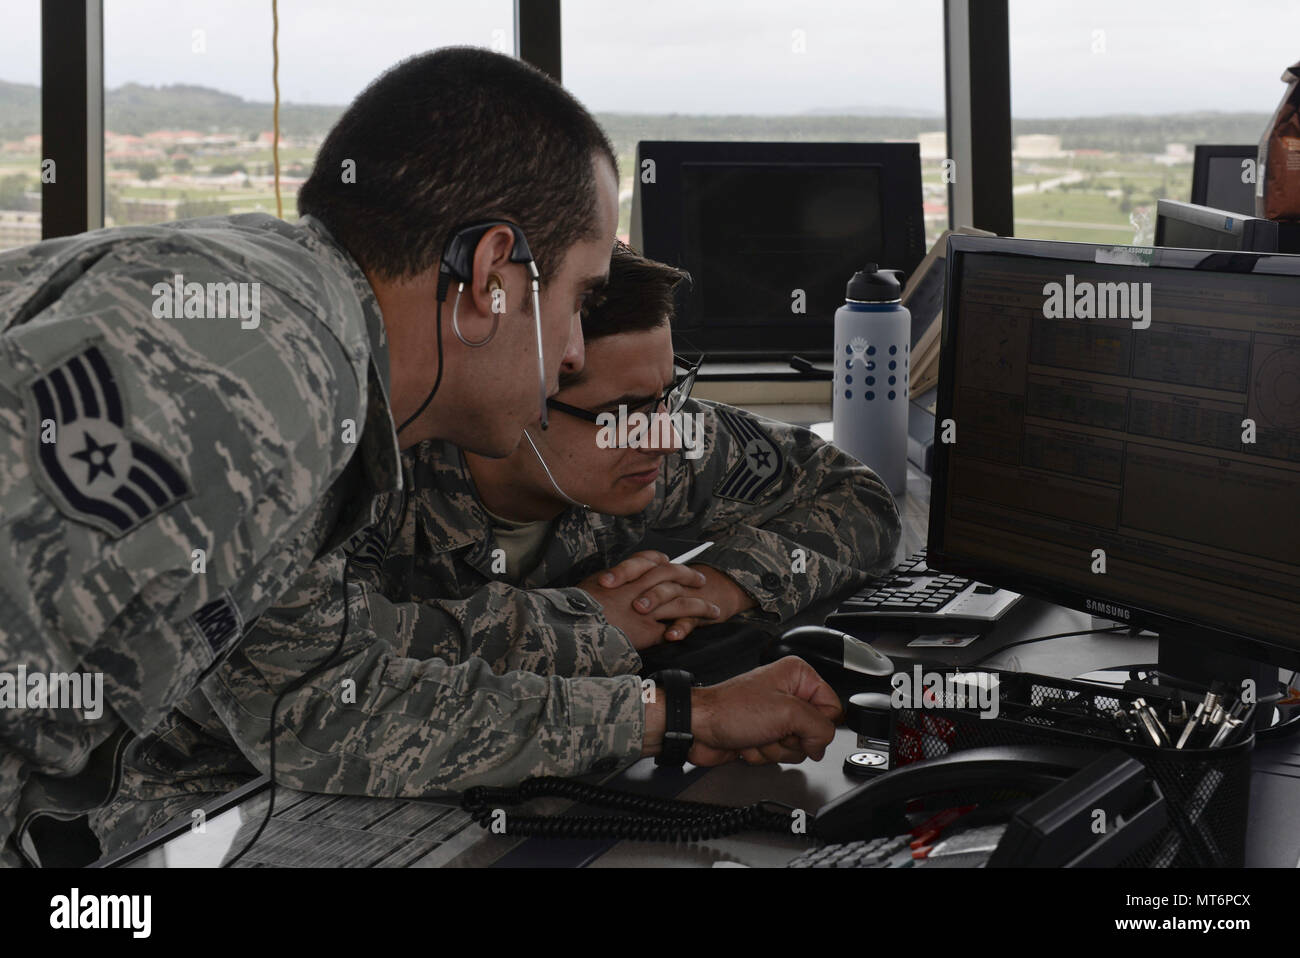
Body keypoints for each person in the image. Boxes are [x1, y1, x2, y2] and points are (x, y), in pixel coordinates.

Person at [90, 243, 899, 855]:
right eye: (622, 407)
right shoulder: (354, 480)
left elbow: (856, 497)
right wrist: (594, 632)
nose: (662, 432)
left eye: (671, 393)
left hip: (491, 779)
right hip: (215, 803)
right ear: (518, 388)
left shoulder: (650, 438)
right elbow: (341, 688)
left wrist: (727, 584)